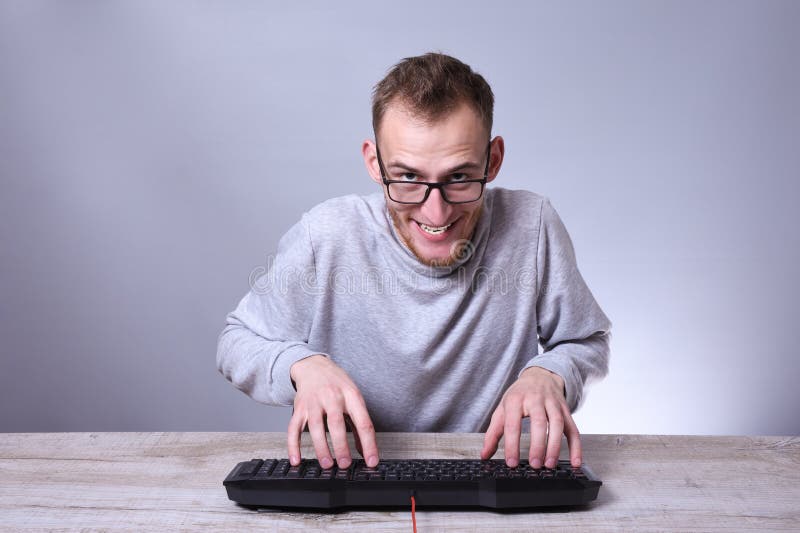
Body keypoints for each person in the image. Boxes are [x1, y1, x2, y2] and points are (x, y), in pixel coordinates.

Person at [217, 52, 611, 472]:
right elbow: (236, 342)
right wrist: (301, 366)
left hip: (496, 474)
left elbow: (586, 341)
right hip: (353, 476)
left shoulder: (532, 226)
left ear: (493, 160)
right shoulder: (326, 235)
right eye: (407, 178)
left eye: (459, 177)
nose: (435, 213)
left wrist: (550, 374)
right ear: (375, 163)